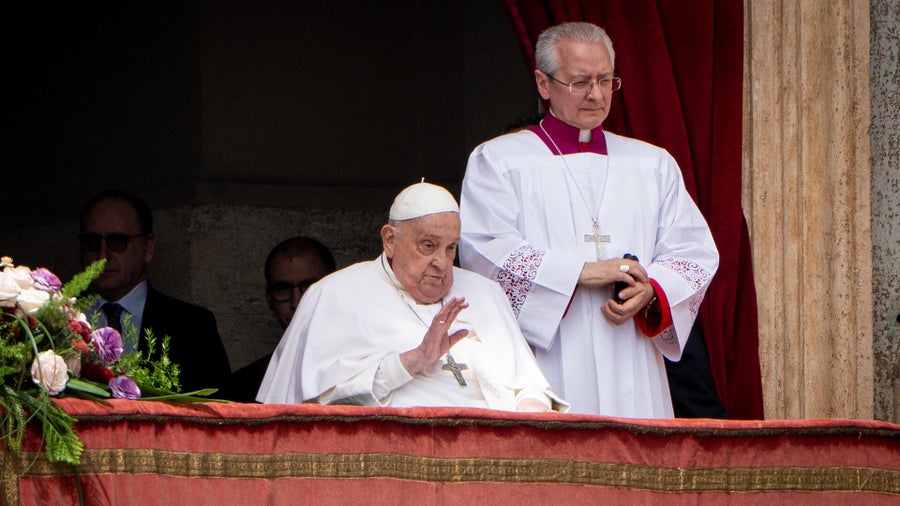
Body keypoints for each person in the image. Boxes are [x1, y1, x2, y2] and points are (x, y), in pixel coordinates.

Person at [459, 22, 719, 418]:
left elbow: (694, 252)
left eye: (605, 80)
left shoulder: (652, 164)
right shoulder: (499, 161)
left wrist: (652, 291)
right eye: (579, 82)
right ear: (543, 84)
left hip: (632, 354)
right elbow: (485, 251)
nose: (596, 95)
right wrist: (579, 272)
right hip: (550, 352)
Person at [257, 182, 567, 413]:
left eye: (450, 248)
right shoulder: (333, 295)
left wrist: (530, 416)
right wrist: (413, 361)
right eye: (428, 246)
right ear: (390, 240)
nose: (443, 263)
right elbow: (316, 406)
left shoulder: (485, 293)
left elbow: (530, 386)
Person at [79, 189, 231, 393]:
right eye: (92, 242)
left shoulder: (193, 327)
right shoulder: (56, 320)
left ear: (148, 248)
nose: (103, 254)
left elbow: (219, 413)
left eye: (117, 241)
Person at [222, 236, 336, 402]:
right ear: (269, 299)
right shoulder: (242, 387)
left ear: (334, 288)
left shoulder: (364, 370)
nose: (296, 303)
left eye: (309, 287)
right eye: (283, 289)